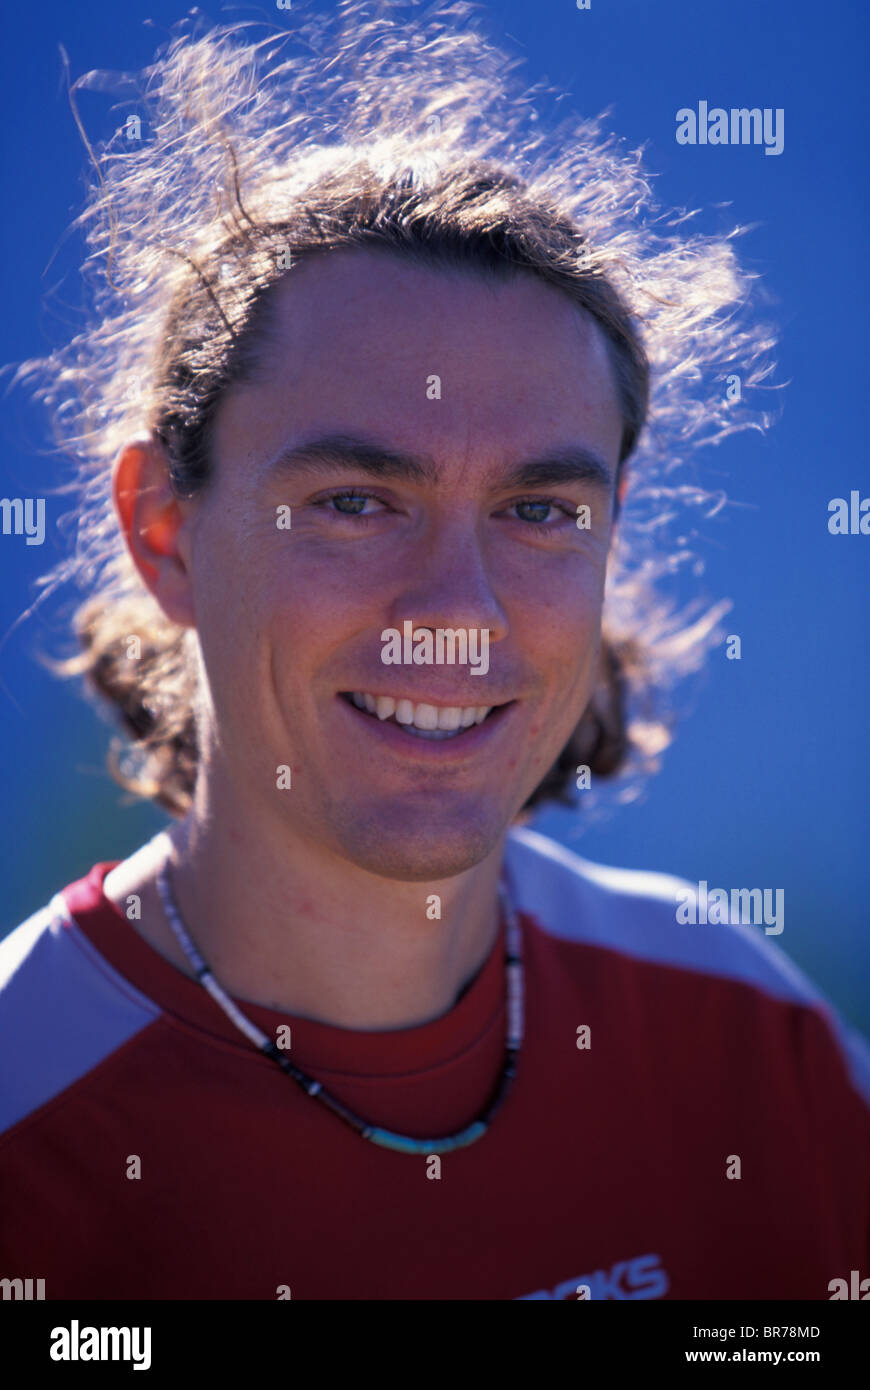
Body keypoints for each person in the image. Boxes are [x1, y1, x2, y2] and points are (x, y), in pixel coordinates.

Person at [1, 8, 867, 1301]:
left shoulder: (749, 1035)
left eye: (537, 511)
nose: (455, 607)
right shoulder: (29, 1108)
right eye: (357, 500)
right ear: (162, 530)